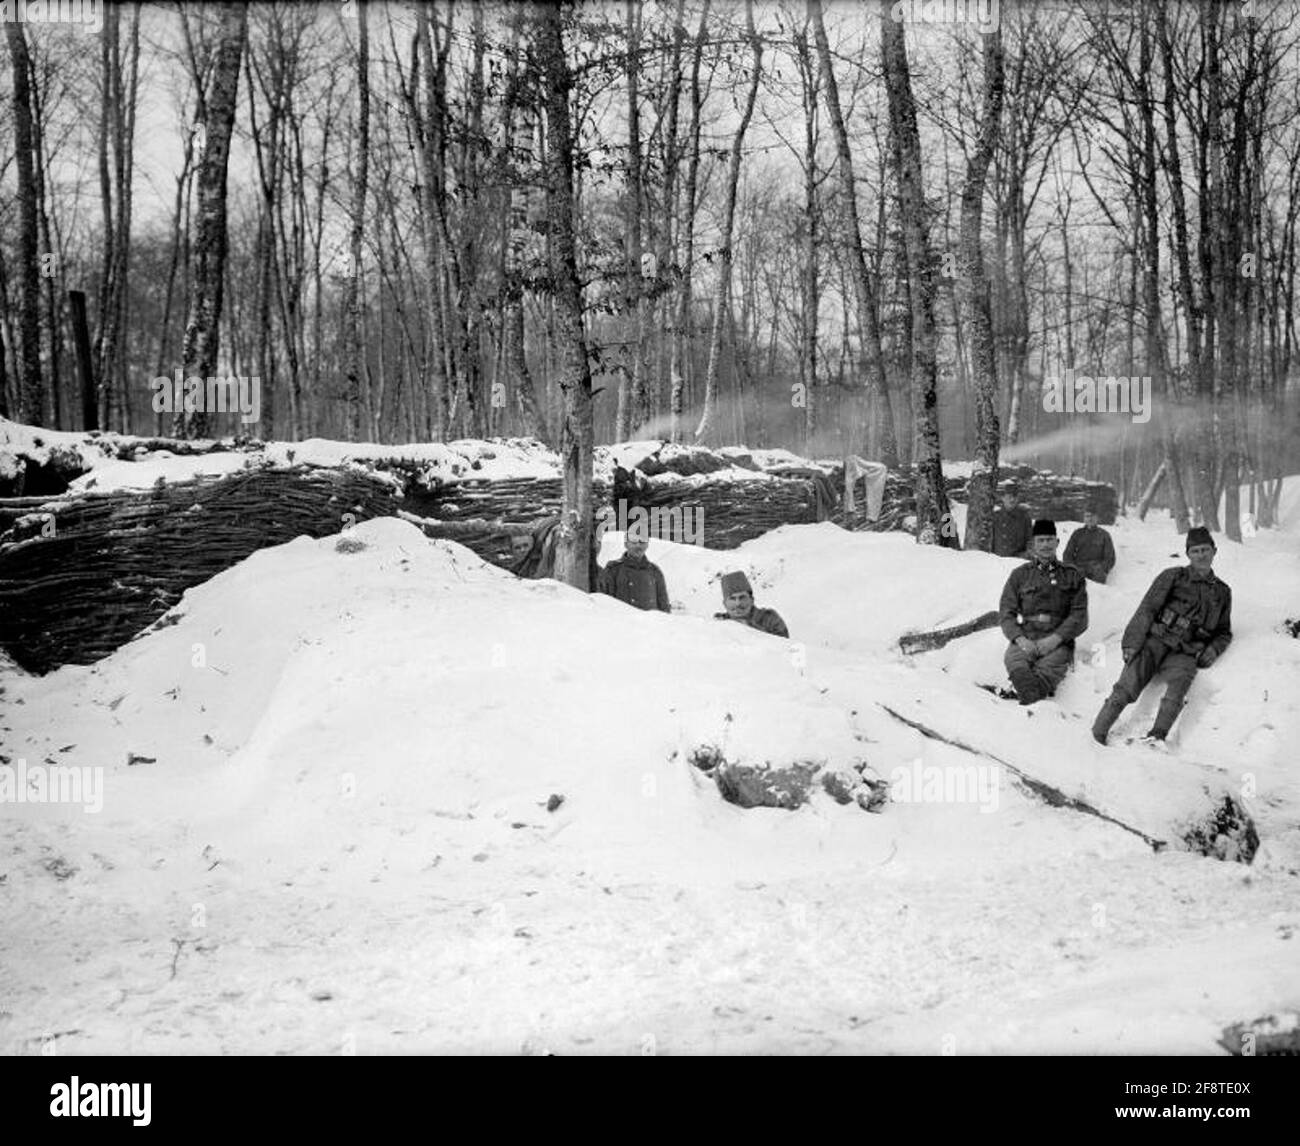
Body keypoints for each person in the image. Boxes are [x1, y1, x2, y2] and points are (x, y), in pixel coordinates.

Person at [1091, 526, 1232, 746]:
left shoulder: (1223, 592)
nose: (1201, 555)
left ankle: (1157, 736)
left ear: (1214, 551)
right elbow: (1148, 608)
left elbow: (1224, 631)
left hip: (1186, 649)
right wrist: (1132, 642)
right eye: (1195, 551)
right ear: (1188, 554)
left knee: (1177, 690)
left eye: (1205, 550)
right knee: (1127, 687)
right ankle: (1098, 733)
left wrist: (1213, 650)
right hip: (1155, 640)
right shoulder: (1173, 576)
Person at [998, 518, 1089, 704]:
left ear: (1057, 542)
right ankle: (1027, 694)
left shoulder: (1073, 575)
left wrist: (1055, 639)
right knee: (1014, 660)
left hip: (1058, 641)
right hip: (1027, 637)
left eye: (1049, 540)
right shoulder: (1020, 575)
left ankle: (1024, 696)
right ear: (1032, 545)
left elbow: (1079, 616)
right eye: (1040, 540)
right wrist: (1020, 639)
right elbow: (1006, 612)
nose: (1045, 545)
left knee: (1047, 669)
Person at [597, 525, 670, 612]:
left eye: (642, 542)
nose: (638, 546)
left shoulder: (655, 572)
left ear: (647, 545)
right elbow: (605, 603)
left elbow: (664, 607)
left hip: (650, 624)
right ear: (626, 544)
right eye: (634, 542)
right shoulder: (614, 570)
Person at [714, 571, 788, 637]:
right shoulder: (718, 624)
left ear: (752, 600)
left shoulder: (770, 619)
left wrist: (752, 630)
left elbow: (786, 647)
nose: (738, 603)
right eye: (732, 599)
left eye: (742, 597)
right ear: (724, 604)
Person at [1063, 506, 1116, 584]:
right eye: (1087, 516)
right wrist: (1072, 567)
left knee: (1097, 586)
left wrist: (1101, 568)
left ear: (1097, 518)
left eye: (1093, 516)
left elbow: (1110, 558)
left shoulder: (1104, 535)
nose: (1090, 519)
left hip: (1096, 569)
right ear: (1084, 518)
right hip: (1079, 567)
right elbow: (1068, 554)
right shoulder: (1077, 533)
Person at [992, 484, 1033, 558]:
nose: (1012, 500)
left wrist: (1026, 554)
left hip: (1016, 561)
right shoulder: (995, 517)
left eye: (1015, 497)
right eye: (1009, 497)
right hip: (996, 562)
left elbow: (1030, 540)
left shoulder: (1024, 518)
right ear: (1003, 498)